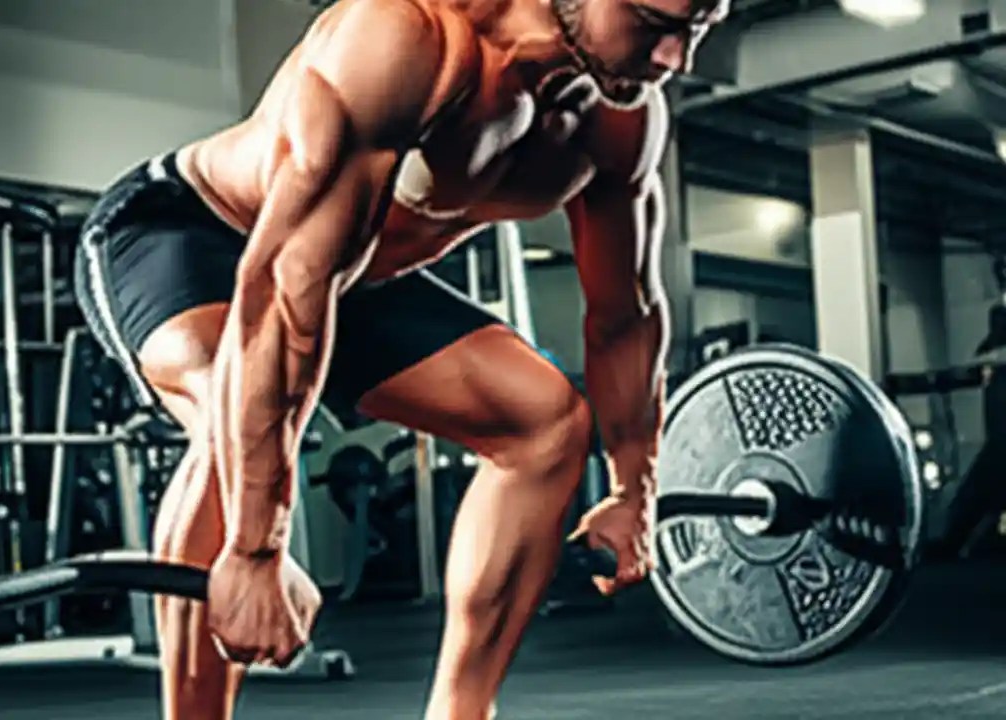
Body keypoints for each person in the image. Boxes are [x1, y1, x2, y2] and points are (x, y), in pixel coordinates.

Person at [73, 0, 729, 717]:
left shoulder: (619, 122)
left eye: (698, 28)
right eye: (654, 22)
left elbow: (625, 317)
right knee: (224, 418)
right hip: (189, 233)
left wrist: (634, 489)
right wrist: (256, 548)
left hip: (352, 275)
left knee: (546, 422)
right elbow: (284, 286)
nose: (677, 60)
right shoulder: (403, 40)